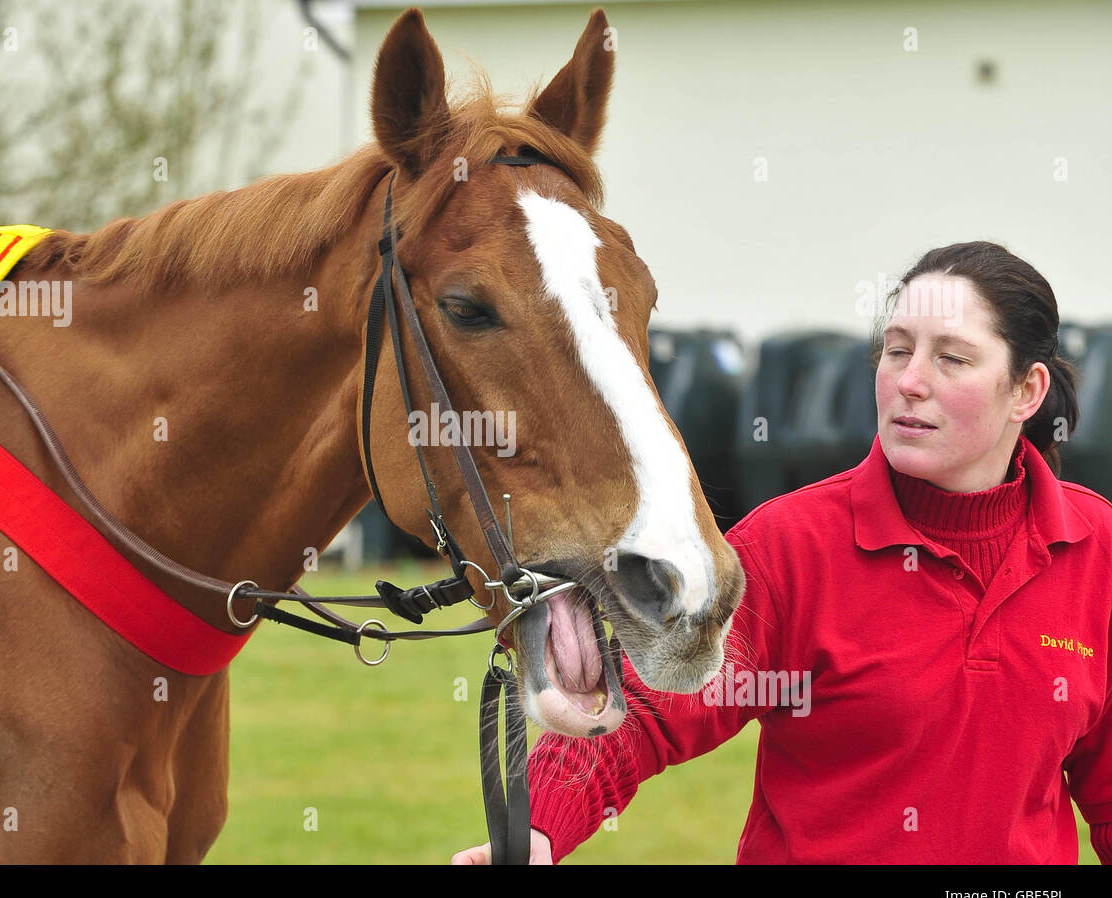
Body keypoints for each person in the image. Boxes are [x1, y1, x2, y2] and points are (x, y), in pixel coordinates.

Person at [452, 241, 1112, 865]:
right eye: (896, 350)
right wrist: (536, 829)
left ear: (1026, 391)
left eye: (952, 358)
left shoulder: (1097, 550)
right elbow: (648, 712)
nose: (909, 381)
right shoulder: (793, 545)